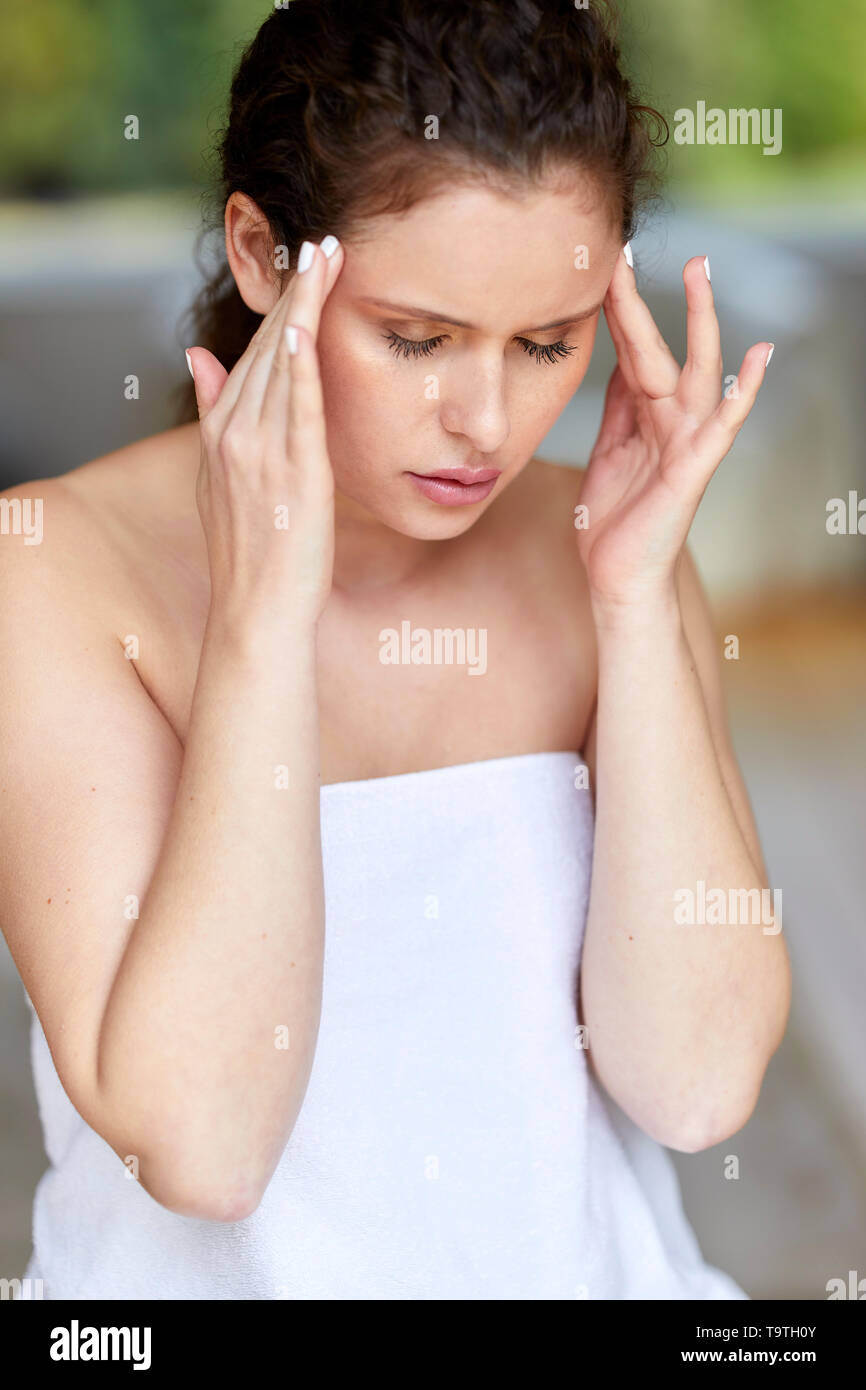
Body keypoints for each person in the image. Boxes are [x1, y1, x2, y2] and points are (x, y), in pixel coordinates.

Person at [1, 0, 790, 1300]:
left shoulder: (598, 545)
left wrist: (636, 599)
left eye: (548, 342)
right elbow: (204, 1144)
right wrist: (259, 624)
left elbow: (695, 1086)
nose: (486, 422)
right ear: (259, 254)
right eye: (414, 339)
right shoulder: (50, 566)